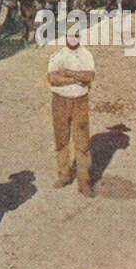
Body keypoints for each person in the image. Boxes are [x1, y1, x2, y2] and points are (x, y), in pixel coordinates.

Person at [47, 18, 95, 197]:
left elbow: (89, 75)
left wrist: (68, 73)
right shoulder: (58, 55)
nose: (73, 39)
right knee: (61, 139)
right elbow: (52, 79)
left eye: (76, 35)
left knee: (82, 143)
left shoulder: (86, 55)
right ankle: (64, 174)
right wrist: (76, 78)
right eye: (70, 36)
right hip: (60, 100)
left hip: (80, 101)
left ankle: (85, 183)